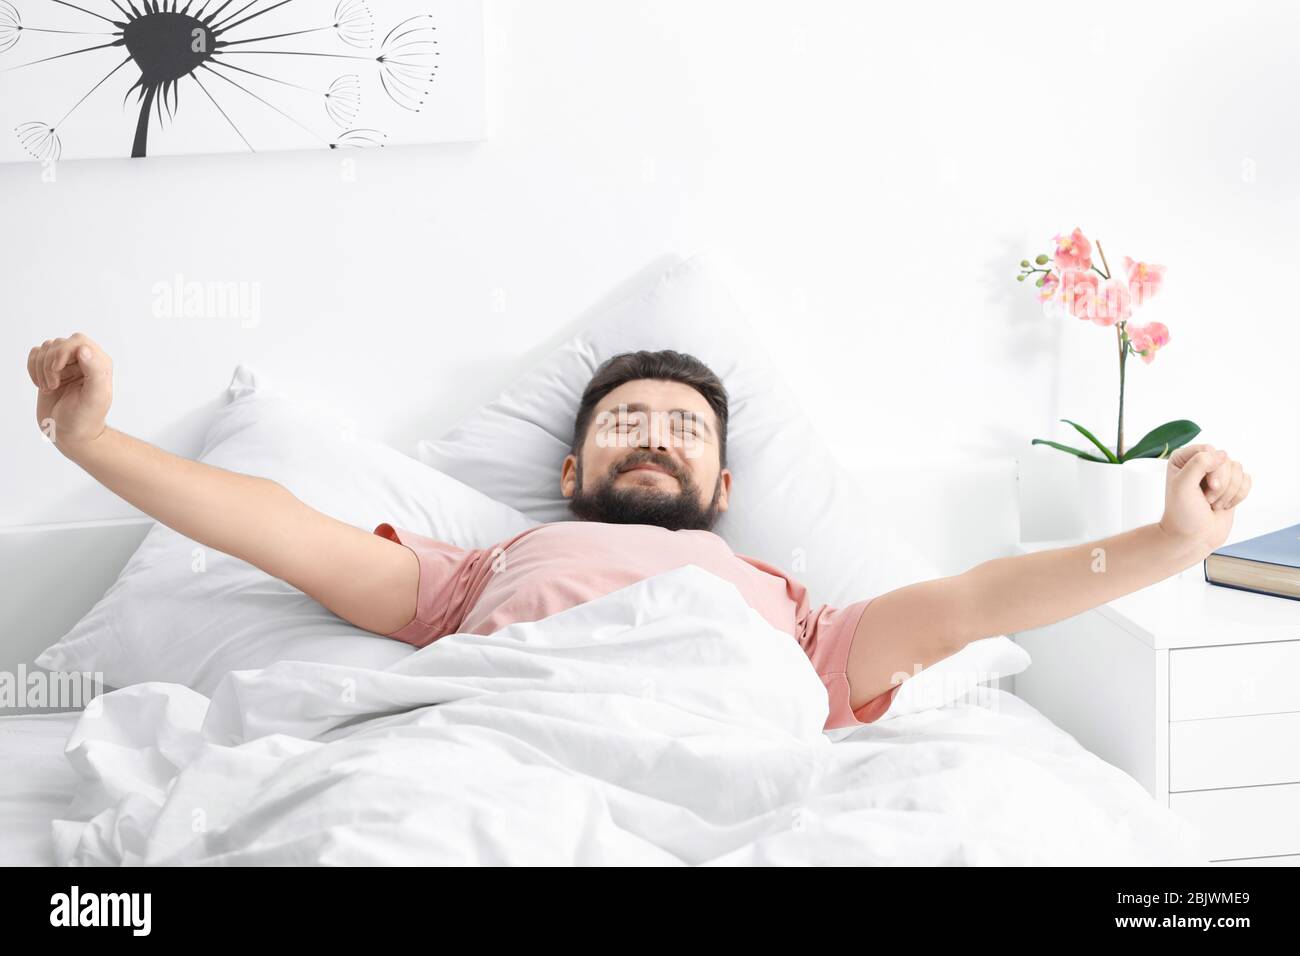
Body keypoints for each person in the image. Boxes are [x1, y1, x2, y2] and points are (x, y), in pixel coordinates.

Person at [27, 333, 1253, 730]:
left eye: (683, 428)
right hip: (505, 743)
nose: (655, 436)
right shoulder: (485, 567)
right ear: (573, 471)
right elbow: (285, 528)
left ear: (722, 486)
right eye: (627, 423)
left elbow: (976, 601)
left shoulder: (796, 611)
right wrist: (92, 441)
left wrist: (1162, 544)